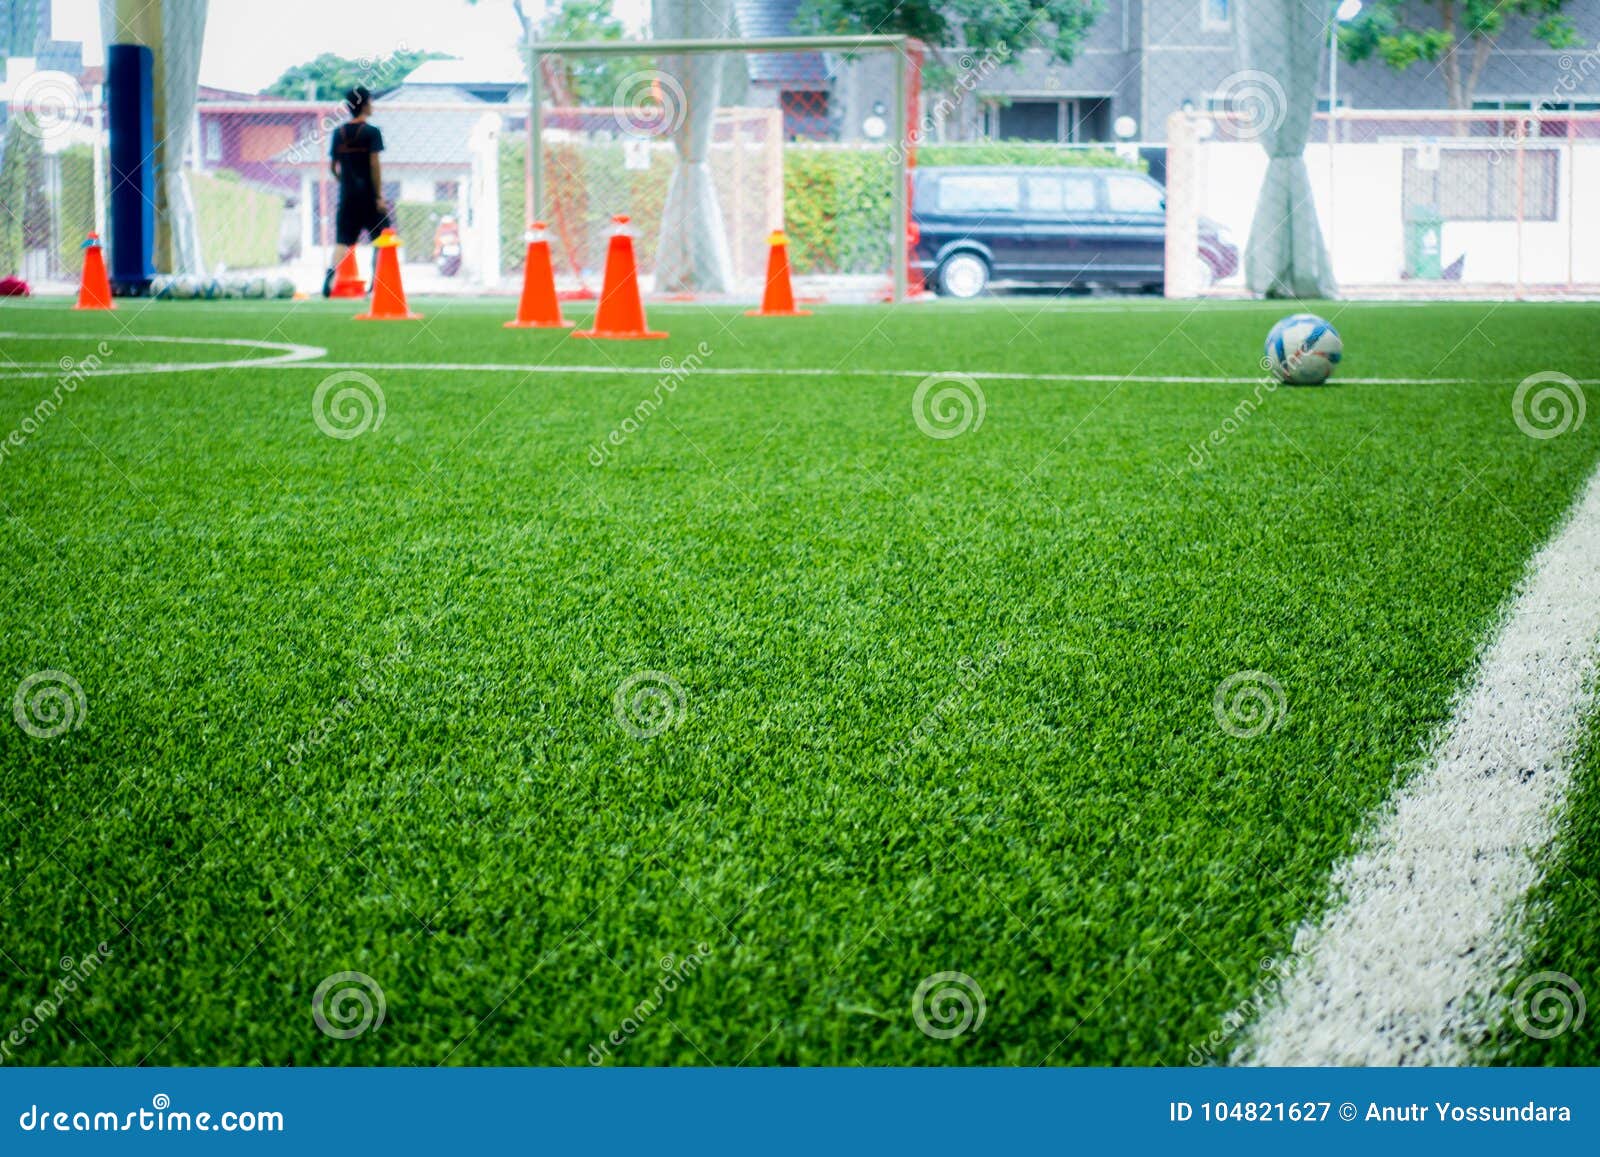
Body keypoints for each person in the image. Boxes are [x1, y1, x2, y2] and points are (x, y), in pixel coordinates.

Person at [322, 85, 389, 297]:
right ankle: (374, 284)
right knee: (381, 236)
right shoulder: (372, 132)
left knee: (343, 240)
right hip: (368, 195)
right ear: (366, 104)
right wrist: (378, 196)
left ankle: (330, 276)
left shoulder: (338, 133)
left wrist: (345, 182)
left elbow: (334, 167)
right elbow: (374, 166)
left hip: (347, 196)